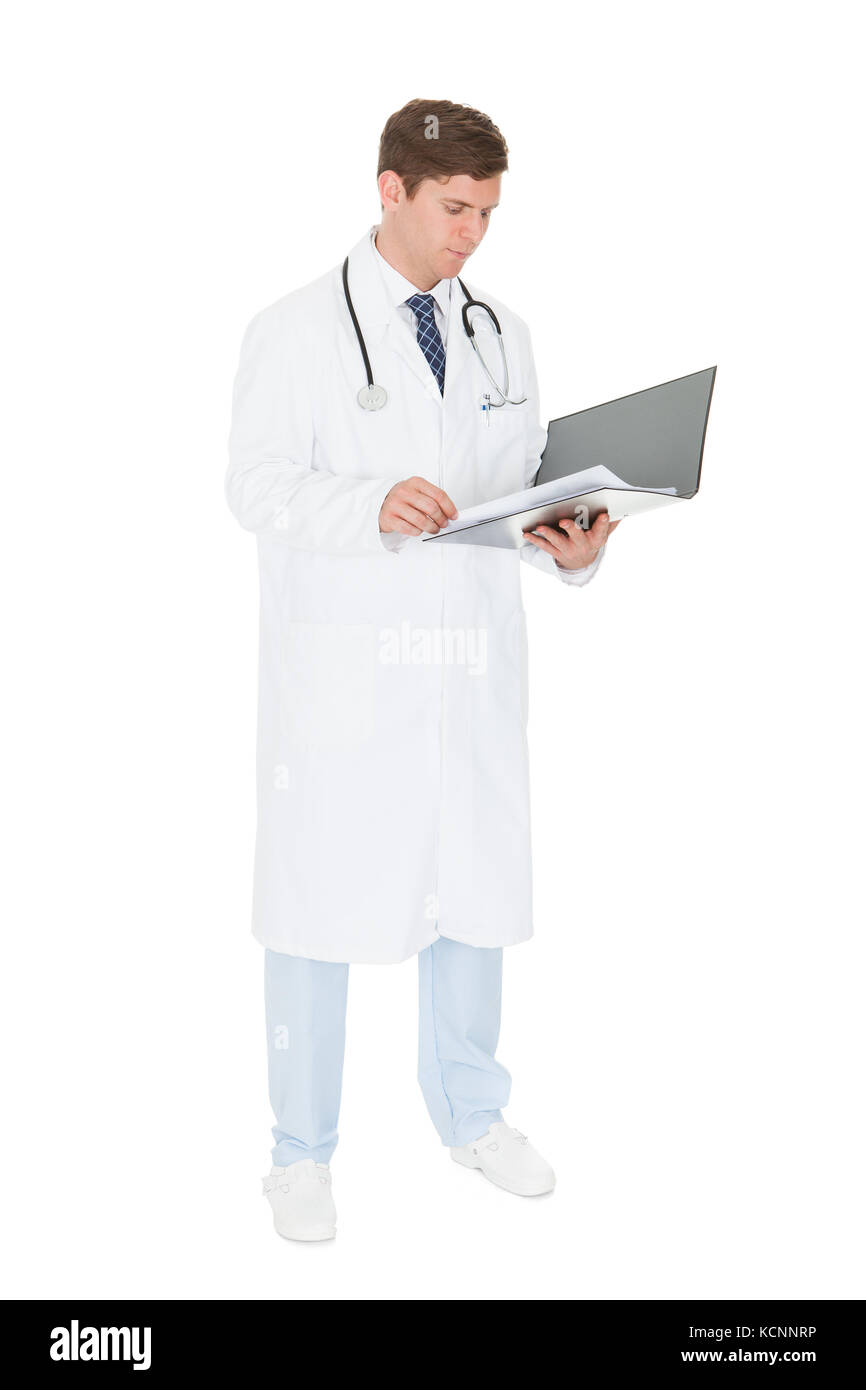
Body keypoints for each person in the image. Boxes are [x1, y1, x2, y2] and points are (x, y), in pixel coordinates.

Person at [226, 98, 620, 1242]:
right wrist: (369, 506)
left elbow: (514, 492)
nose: (472, 236)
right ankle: (298, 1154)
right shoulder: (294, 330)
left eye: (488, 213)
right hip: (345, 681)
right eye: (454, 208)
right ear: (390, 190)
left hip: (469, 669)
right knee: (316, 904)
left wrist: (574, 548)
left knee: (471, 895)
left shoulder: (501, 331)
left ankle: (471, 1116)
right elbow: (251, 485)